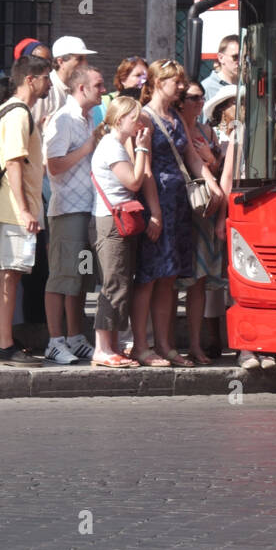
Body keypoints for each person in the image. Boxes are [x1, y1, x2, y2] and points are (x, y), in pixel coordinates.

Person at [138, 59, 223, 367]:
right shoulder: (144, 117)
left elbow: (191, 157)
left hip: (179, 202)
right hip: (157, 200)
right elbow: (144, 168)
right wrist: (155, 211)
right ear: (159, 82)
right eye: (176, 82)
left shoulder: (175, 115)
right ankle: (143, 345)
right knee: (150, 275)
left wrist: (213, 185)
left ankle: (165, 345)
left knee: (169, 276)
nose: (182, 87)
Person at [0, 54, 51, 365]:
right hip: (13, 210)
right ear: (31, 79)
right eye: (46, 77)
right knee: (9, 276)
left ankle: (3, 341)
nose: (49, 83)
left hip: (5, 207)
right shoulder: (17, 114)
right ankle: (4, 345)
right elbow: (13, 162)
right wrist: (25, 211)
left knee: (4, 276)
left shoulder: (10, 111)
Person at [42, 65, 105, 365]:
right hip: (68, 210)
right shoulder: (64, 119)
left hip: (87, 208)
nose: (103, 90)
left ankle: (75, 336)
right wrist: (87, 147)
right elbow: (52, 165)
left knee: (81, 277)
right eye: (99, 85)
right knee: (62, 277)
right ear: (82, 88)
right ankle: (54, 341)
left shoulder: (88, 116)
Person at [91, 96, 154, 368]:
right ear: (119, 120)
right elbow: (134, 181)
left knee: (120, 283)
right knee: (114, 284)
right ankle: (102, 349)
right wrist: (142, 150)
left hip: (115, 221)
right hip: (111, 222)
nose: (139, 122)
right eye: (134, 118)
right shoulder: (112, 147)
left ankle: (111, 346)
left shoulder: (113, 144)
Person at [176, 80, 226, 365]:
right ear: (181, 101)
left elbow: (214, 166)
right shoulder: (177, 127)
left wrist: (211, 158)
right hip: (185, 208)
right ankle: (168, 344)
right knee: (176, 282)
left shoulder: (205, 129)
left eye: (201, 98)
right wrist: (208, 160)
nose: (198, 102)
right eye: (192, 97)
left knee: (200, 282)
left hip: (205, 208)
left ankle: (196, 345)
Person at [34, 35, 99, 133]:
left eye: (85, 59)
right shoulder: (45, 86)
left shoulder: (81, 87)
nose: (85, 64)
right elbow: (32, 127)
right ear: (60, 61)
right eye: (79, 59)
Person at [94, 55, 148, 126]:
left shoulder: (149, 102)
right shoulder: (105, 102)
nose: (143, 80)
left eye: (146, 76)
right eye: (138, 75)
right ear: (123, 79)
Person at [200, 35, 240, 102]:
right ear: (221, 58)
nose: (241, 62)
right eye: (235, 57)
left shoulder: (249, 86)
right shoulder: (206, 88)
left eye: (244, 57)